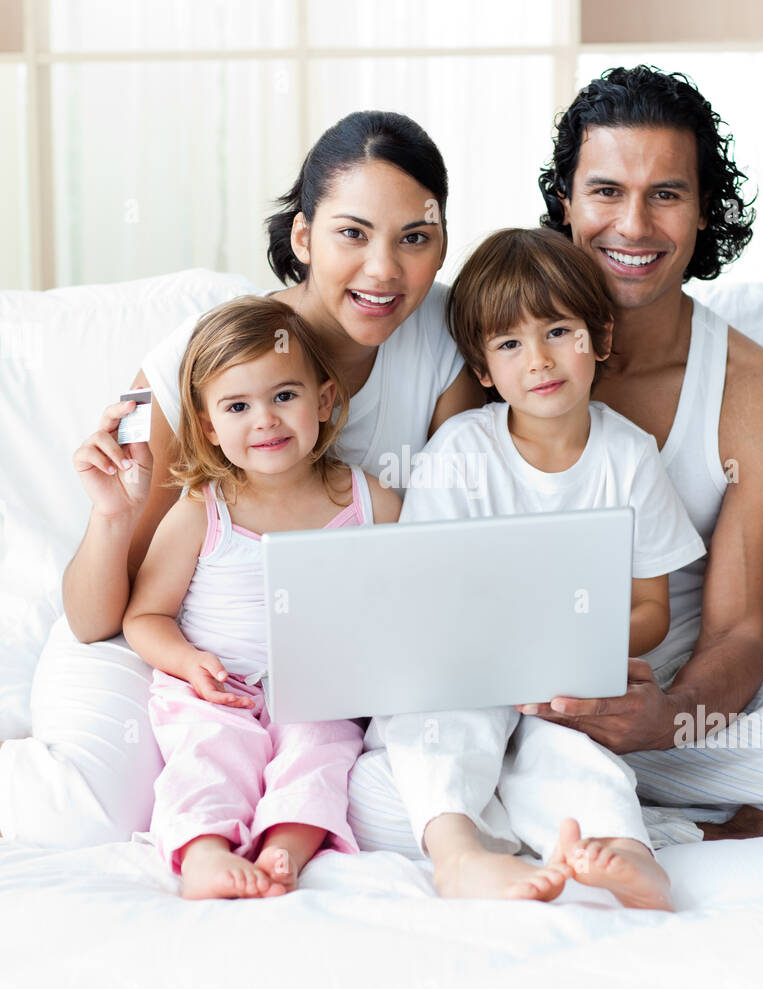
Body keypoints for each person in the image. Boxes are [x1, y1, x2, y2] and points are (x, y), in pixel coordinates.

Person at [347, 66, 763, 850]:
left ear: (701, 214)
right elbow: (313, 329)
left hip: (687, 718)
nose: (633, 225)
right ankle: (667, 831)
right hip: (516, 716)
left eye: (666, 193)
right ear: (566, 202)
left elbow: (738, 638)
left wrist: (664, 718)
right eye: (606, 191)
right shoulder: (491, 337)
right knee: (380, 802)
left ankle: (694, 817)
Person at [0, 110, 483, 847]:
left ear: (443, 242)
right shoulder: (196, 356)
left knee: (401, 806)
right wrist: (110, 519)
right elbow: (102, 618)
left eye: (415, 238)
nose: (384, 269)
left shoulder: (448, 341)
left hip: (322, 685)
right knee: (82, 814)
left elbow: (444, 562)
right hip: (173, 650)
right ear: (302, 237)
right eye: (352, 233)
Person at [364, 228, 705, 906]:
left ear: (598, 339)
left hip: (568, 683)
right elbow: (423, 595)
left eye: (558, 331)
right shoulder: (461, 452)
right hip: (468, 673)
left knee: (573, 753)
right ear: (484, 369)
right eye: (511, 344)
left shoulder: (629, 456)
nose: (540, 360)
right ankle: (459, 855)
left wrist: (581, 653)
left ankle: (627, 856)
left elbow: (652, 611)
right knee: (441, 721)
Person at [122, 295, 400, 899]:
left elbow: (408, 596)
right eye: (238, 406)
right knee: (211, 755)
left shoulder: (370, 501)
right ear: (208, 428)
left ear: (324, 401)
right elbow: (145, 615)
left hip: (320, 690)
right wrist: (187, 663)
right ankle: (203, 855)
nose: (265, 420)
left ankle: (285, 849)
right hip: (219, 689)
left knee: (322, 751)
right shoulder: (202, 511)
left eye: (284, 396)